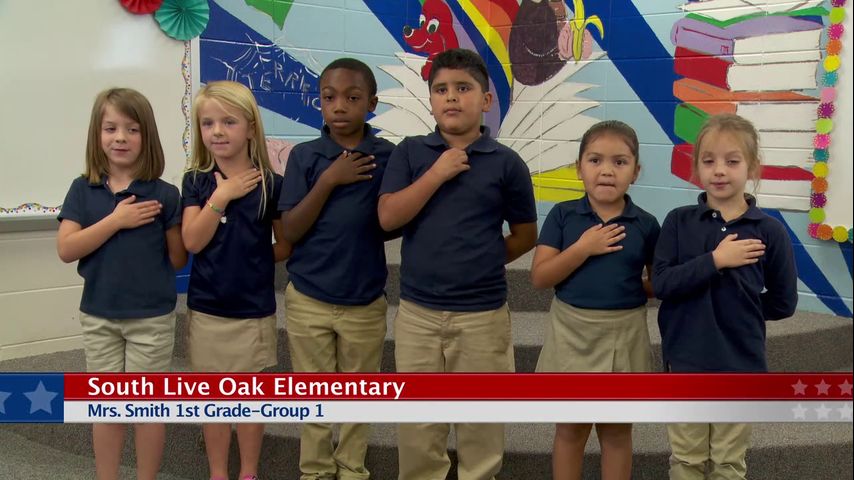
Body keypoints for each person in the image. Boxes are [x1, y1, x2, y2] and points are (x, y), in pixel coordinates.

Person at [377, 48, 538, 480]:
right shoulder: (411, 153)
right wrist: (437, 173)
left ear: (485, 100)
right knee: (419, 428)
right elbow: (389, 217)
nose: (451, 97)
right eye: (441, 89)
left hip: (482, 316)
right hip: (418, 314)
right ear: (430, 100)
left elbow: (526, 234)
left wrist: (484, 259)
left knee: (480, 426)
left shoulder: (506, 163)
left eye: (463, 89)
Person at [653, 113, 798, 480]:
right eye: (709, 161)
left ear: (751, 167)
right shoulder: (678, 221)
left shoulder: (770, 231)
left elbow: (783, 302)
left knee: (729, 463)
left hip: (740, 365)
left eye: (732, 161)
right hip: (685, 363)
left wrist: (740, 310)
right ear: (696, 168)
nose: (719, 170)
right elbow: (663, 283)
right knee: (686, 459)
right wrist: (716, 261)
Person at [57, 87, 186, 480]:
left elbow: (178, 258)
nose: (120, 138)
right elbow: (67, 248)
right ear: (97, 134)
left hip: (151, 318)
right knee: (107, 408)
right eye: (110, 128)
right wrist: (116, 221)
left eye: (132, 129)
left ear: (146, 136)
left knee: (147, 410)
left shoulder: (165, 194)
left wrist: (181, 222)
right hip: (99, 316)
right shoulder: (83, 188)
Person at [278, 58, 394, 480]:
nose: (339, 106)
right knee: (313, 395)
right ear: (320, 104)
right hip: (309, 296)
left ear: (372, 103)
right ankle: (315, 472)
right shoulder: (306, 157)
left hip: (364, 298)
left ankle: (352, 469)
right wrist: (329, 179)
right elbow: (290, 228)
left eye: (352, 97)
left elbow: (392, 219)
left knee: (358, 396)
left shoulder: (387, 156)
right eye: (329, 98)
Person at [531, 120, 660, 480]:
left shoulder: (647, 224)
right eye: (595, 160)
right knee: (571, 429)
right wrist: (584, 248)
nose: (606, 170)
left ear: (636, 171)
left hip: (624, 334)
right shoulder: (562, 215)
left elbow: (656, 283)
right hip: (571, 333)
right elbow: (541, 277)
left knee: (617, 431)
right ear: (579, 168)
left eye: (620, 162)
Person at [181, 80, 290, 480]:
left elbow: (286, 245)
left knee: (250, 400)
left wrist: (254, 259)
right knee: (213, 399)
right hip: (208, 308)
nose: (218, 131)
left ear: (250, 127)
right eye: (208, 123)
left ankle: (248, 471)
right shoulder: (196, 180)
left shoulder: (272, 185)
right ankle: (217, 472)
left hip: (252, 309)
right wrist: (222, 195)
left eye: (228, 121)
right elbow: (193, 240)